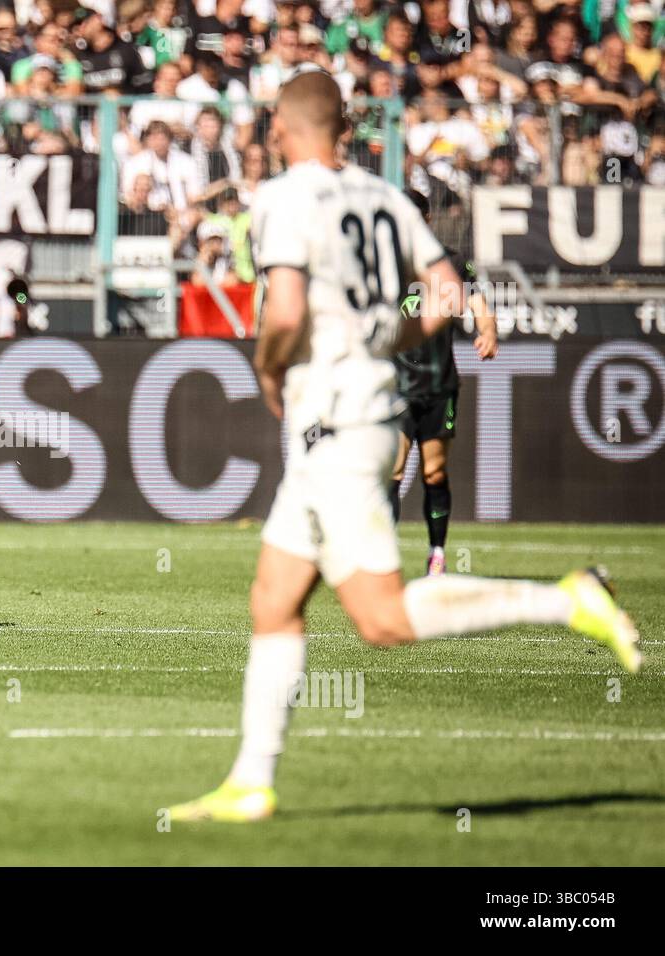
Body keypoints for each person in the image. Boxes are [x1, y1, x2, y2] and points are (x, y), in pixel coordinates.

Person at [170, 71, 641, 825]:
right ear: (345, 128)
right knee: (275, 597)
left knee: (380, 619)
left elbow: (283, 310)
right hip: (357, 415)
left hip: (339, 423)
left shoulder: (285, 197)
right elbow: (448, 296)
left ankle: (567, 599)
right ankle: (251, 782)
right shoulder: (385, 197)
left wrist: (266, 367)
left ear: (283, 130)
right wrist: (385, 337)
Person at [389, 189, 498, 575]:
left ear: (427, 220)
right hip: (396, 387)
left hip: (438, 385)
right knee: (394, 469)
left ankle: (437, 552)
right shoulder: (385, 265)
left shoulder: (449, 264)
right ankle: (382, 556)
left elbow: (479, 304)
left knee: (434, 471)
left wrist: (488, 331)